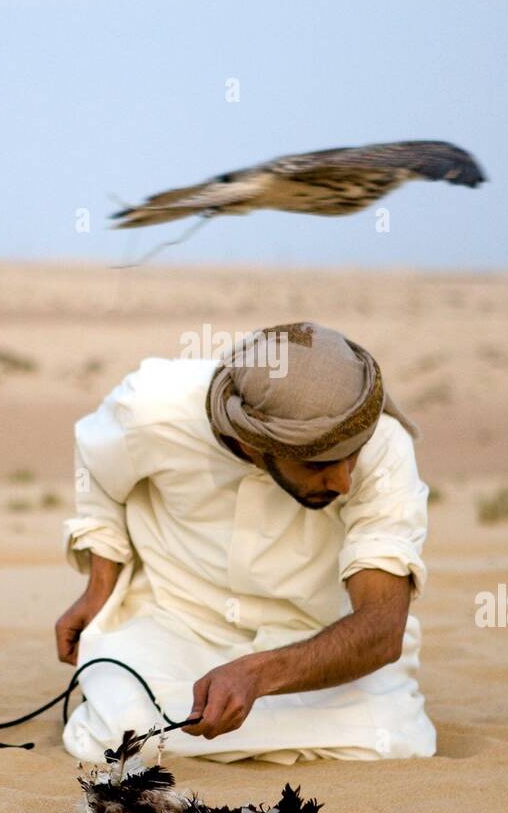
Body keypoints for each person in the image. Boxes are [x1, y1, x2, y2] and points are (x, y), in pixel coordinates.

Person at [55, 321, 436, 765]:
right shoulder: (151, 408)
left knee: (399, 737)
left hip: (313, 649)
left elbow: (381, 629)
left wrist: (259, 674)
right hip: (176, 627)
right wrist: (99, 588)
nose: (344, 481)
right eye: (319, 465)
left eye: (352, 456)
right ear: (250, 445)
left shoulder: (383, 442)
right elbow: (100, 475)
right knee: (122, 733)